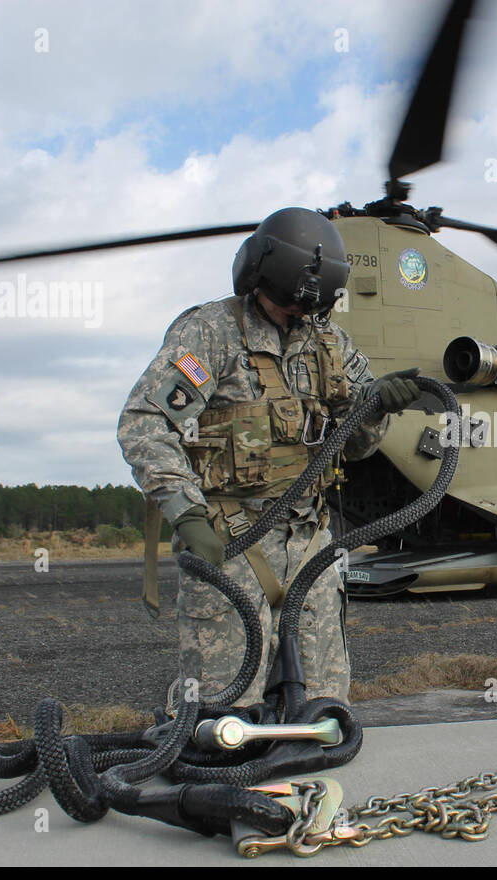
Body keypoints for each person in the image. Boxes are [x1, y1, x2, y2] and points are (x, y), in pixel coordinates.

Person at [118, 207, 420, 708]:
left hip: (310, 542)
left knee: (325, 705)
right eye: (287, 308)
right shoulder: (211, 333)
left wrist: (375, 409)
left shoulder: (331, 344)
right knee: (219, 710)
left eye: (309, 310)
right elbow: (145, 424)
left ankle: (309, 769)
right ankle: (214, 765)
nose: (297, 319)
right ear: (259, 280)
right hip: (232, 540)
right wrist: (186, 511)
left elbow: (360, 446)